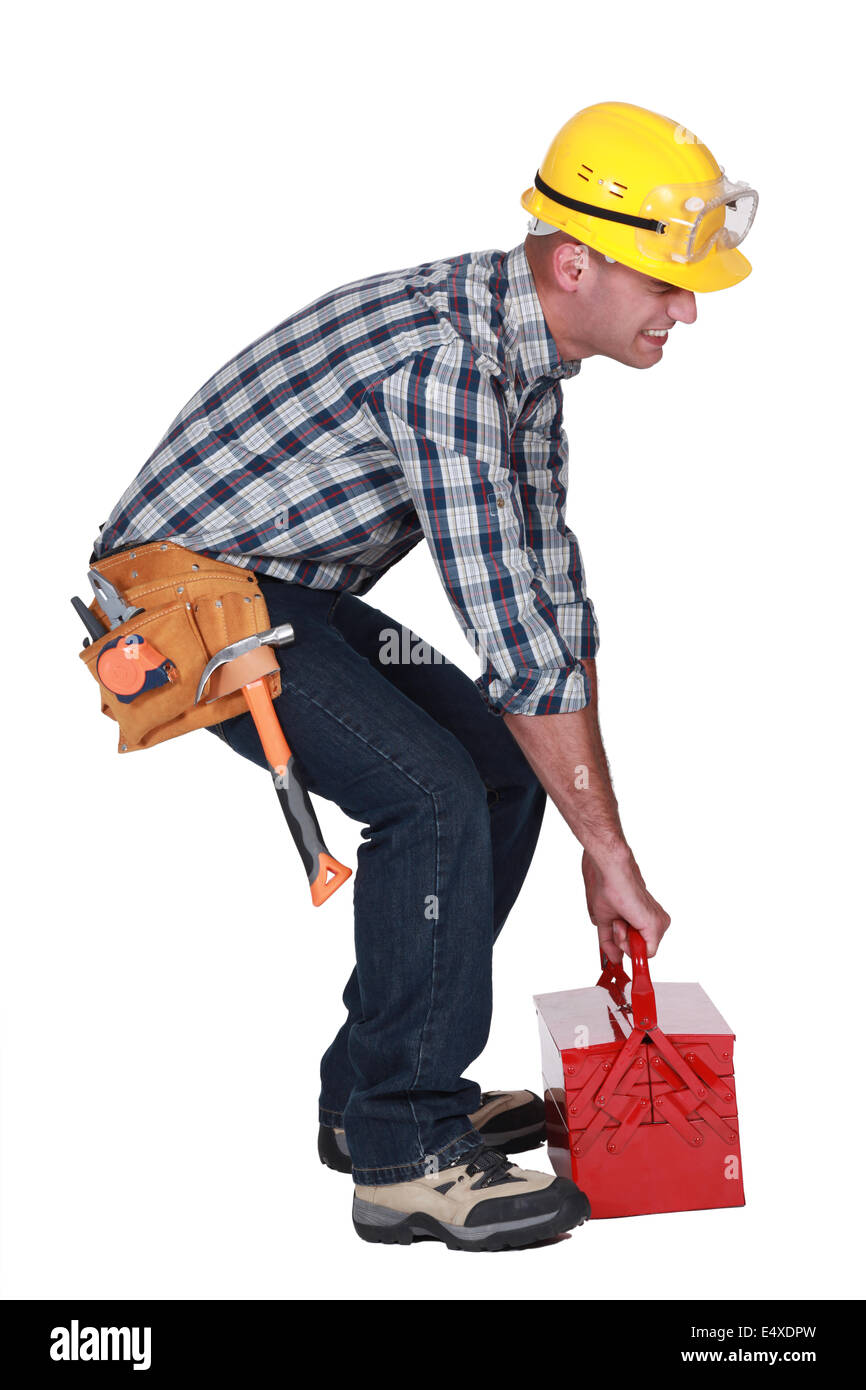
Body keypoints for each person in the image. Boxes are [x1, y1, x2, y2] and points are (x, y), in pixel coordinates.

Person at [88, 101, 757, 1251]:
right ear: (573, 262)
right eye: (664, 280)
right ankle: (405, 1153)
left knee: (498, 766)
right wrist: (609, 856)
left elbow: (549, 606)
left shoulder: (526, 368)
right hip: (182, 601)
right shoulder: (446, 363)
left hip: (286, 593)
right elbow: (508, 626)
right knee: (433, 793)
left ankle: (376, 1097)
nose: (685, 308)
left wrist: (597, 830)